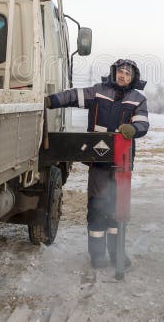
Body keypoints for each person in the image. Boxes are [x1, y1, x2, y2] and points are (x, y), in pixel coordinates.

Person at [45, 59, 149, 269]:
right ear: (114, 73)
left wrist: (133, 129)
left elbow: (143, 122)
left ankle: (117, 254)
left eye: (128, 74)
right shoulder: (98, 92)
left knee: (118, 210)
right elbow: (74, 96)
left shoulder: (138, 99)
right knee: (97, 206)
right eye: (120, 72)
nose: (123, 76)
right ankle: (97, 255)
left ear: (133, 78)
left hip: (122, 163)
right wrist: (52, 100)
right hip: (98, 162)